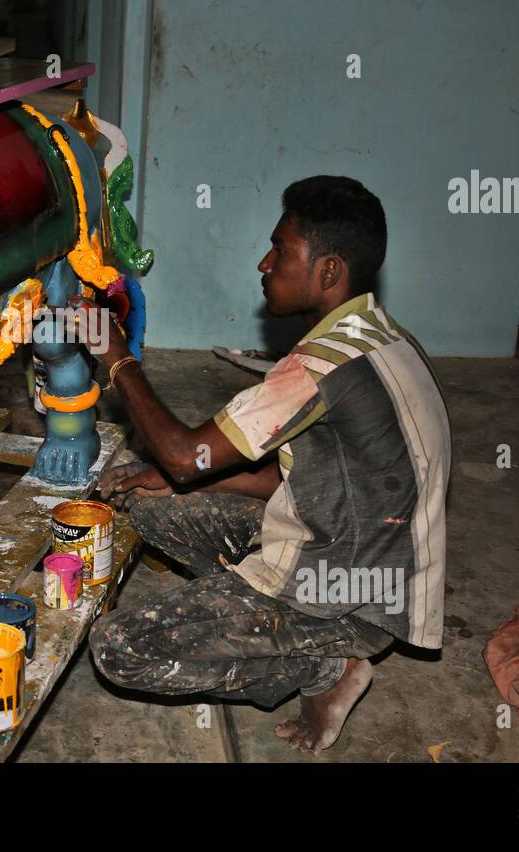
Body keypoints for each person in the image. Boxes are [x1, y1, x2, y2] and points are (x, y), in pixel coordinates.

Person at [71, 175, 450, 753]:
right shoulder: (379, 334)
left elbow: (181, 453)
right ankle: (249, 618)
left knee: (120, 648)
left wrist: (117, 357)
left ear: (328, 270)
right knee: (154, 509)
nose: (264, 263)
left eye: (281, 250)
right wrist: (171, 479)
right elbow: (311, 477)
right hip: (363, 553)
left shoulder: (319, 366)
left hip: (352, 597)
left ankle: (325, 668)